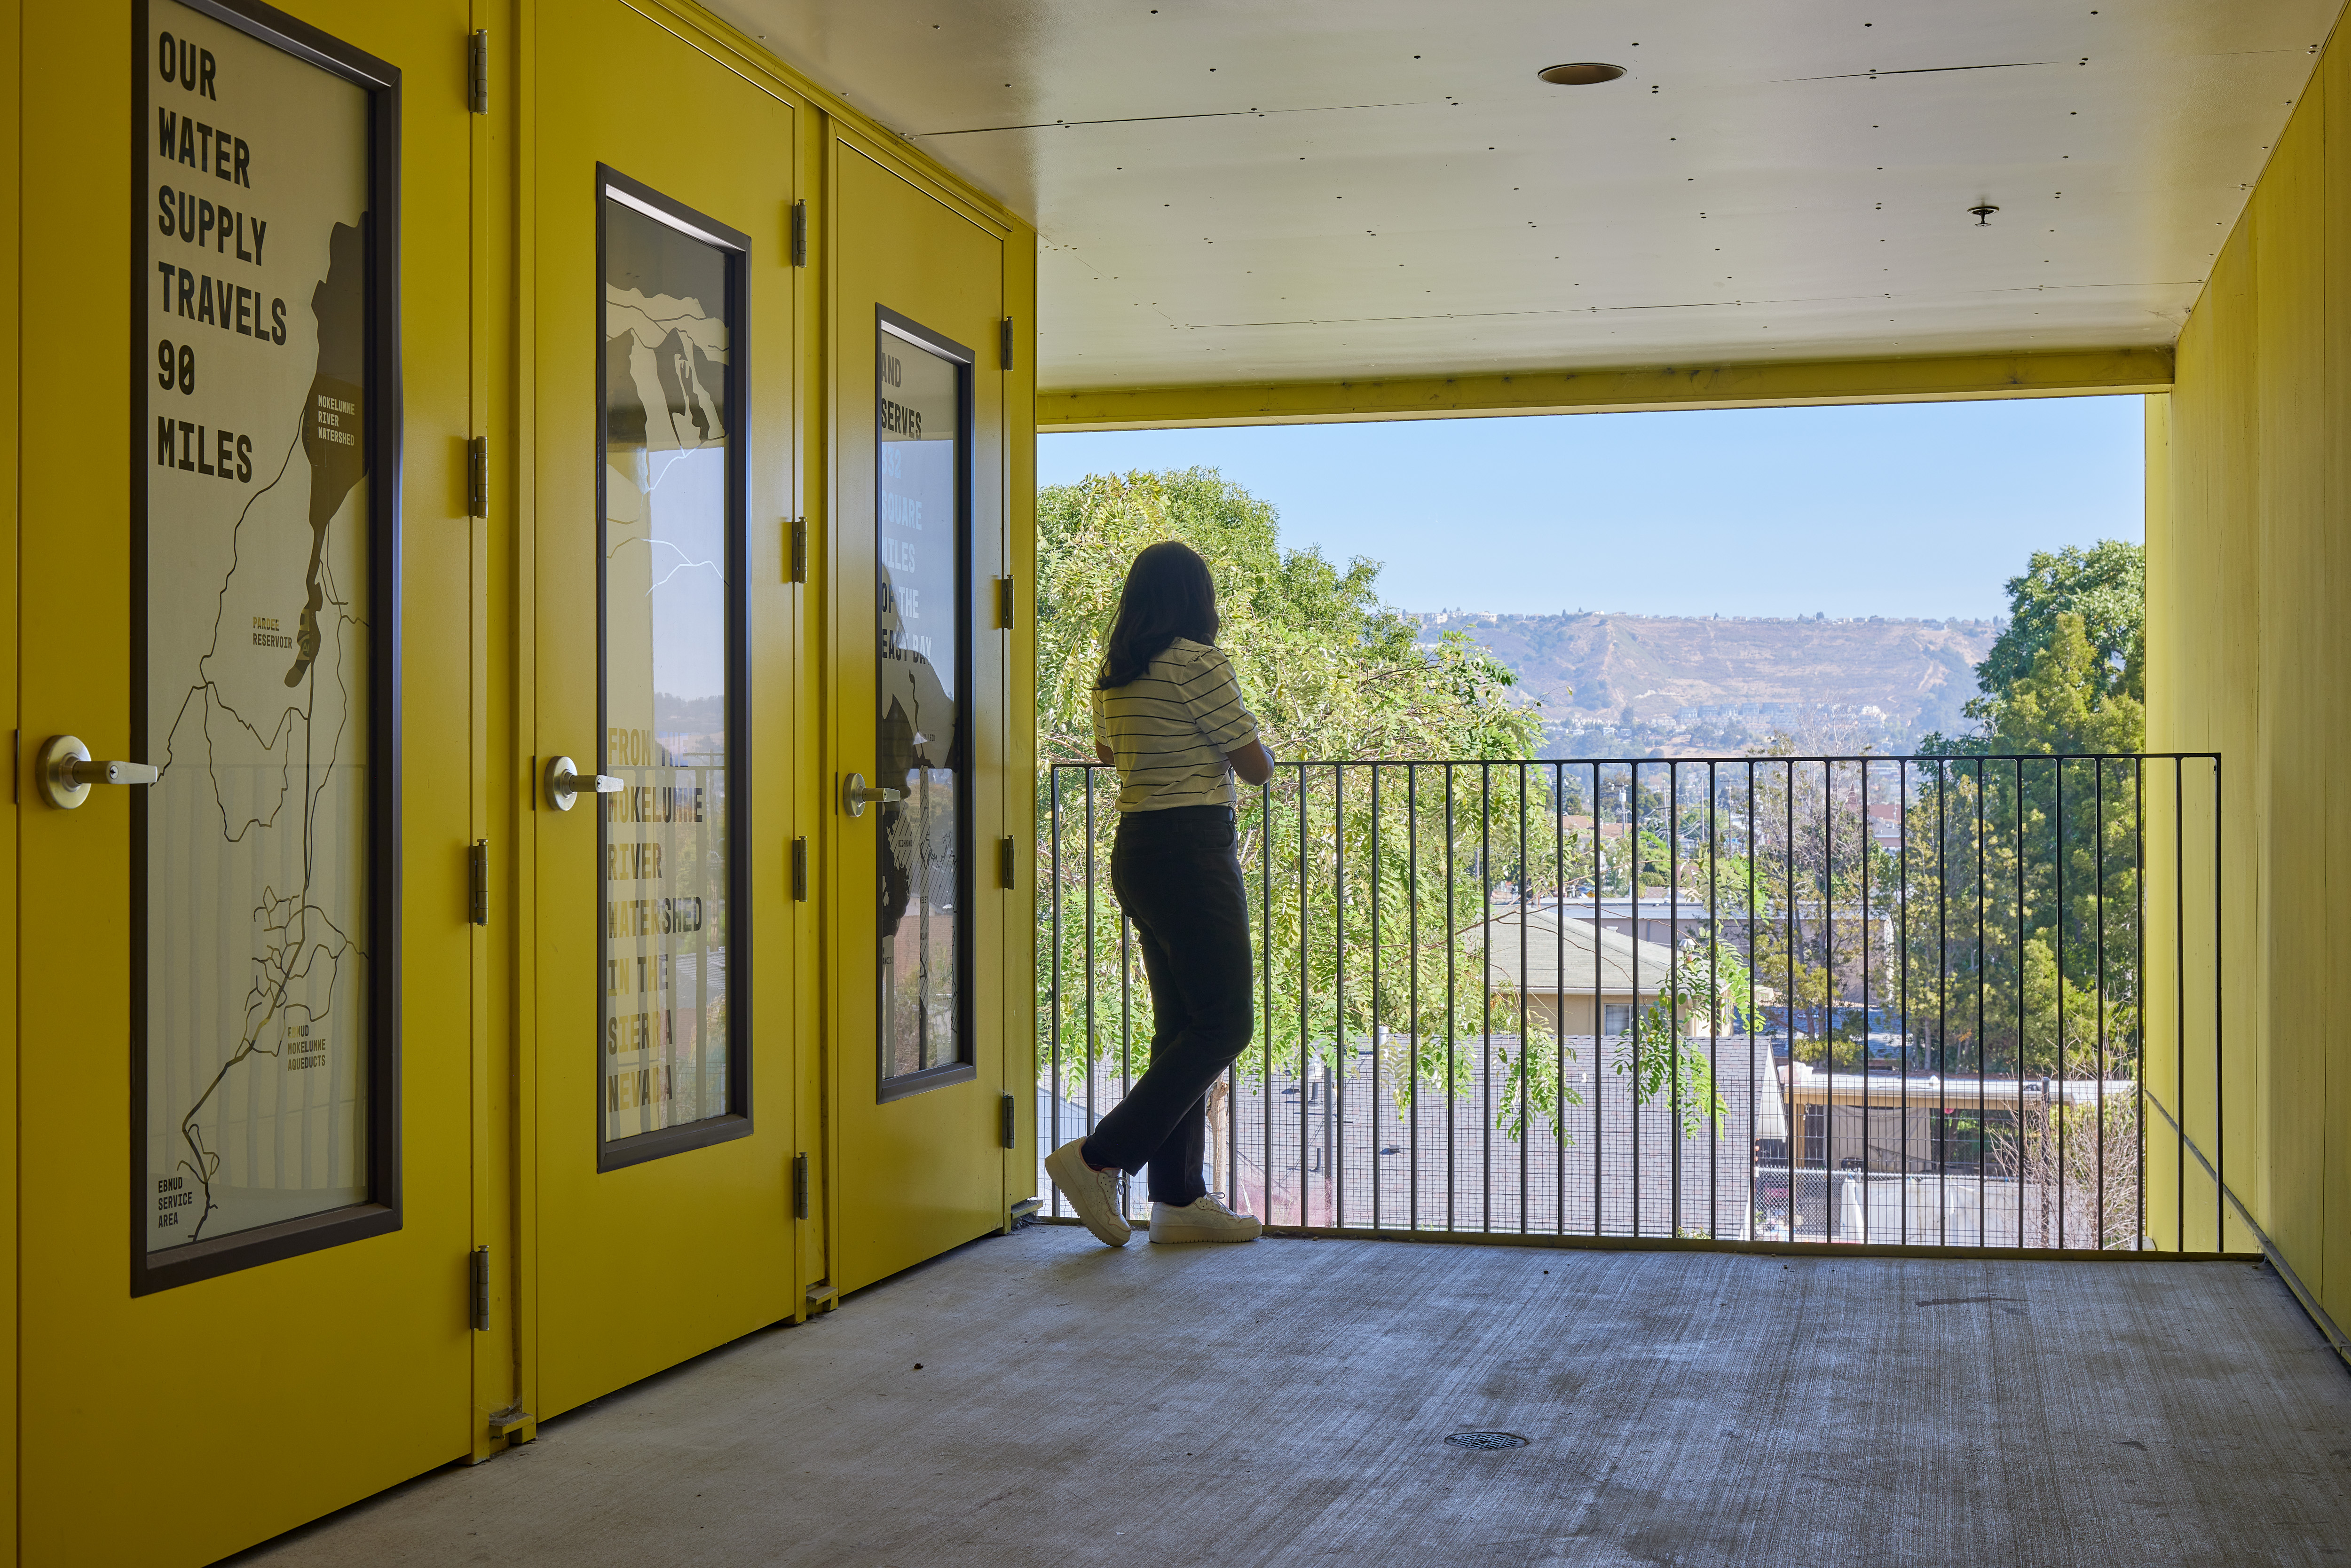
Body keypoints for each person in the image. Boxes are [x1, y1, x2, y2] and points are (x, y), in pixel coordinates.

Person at [1043, 540, 1276, 1246]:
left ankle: (1177, 1201)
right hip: (1192, 851)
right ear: (1196, 598)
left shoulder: (1116, 673)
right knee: (1227, 1023)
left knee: (1182, 1026)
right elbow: (1256, 765)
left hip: (1138, 850)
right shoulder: (1197, 662)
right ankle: (1097, 1158)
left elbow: (1109, 756)